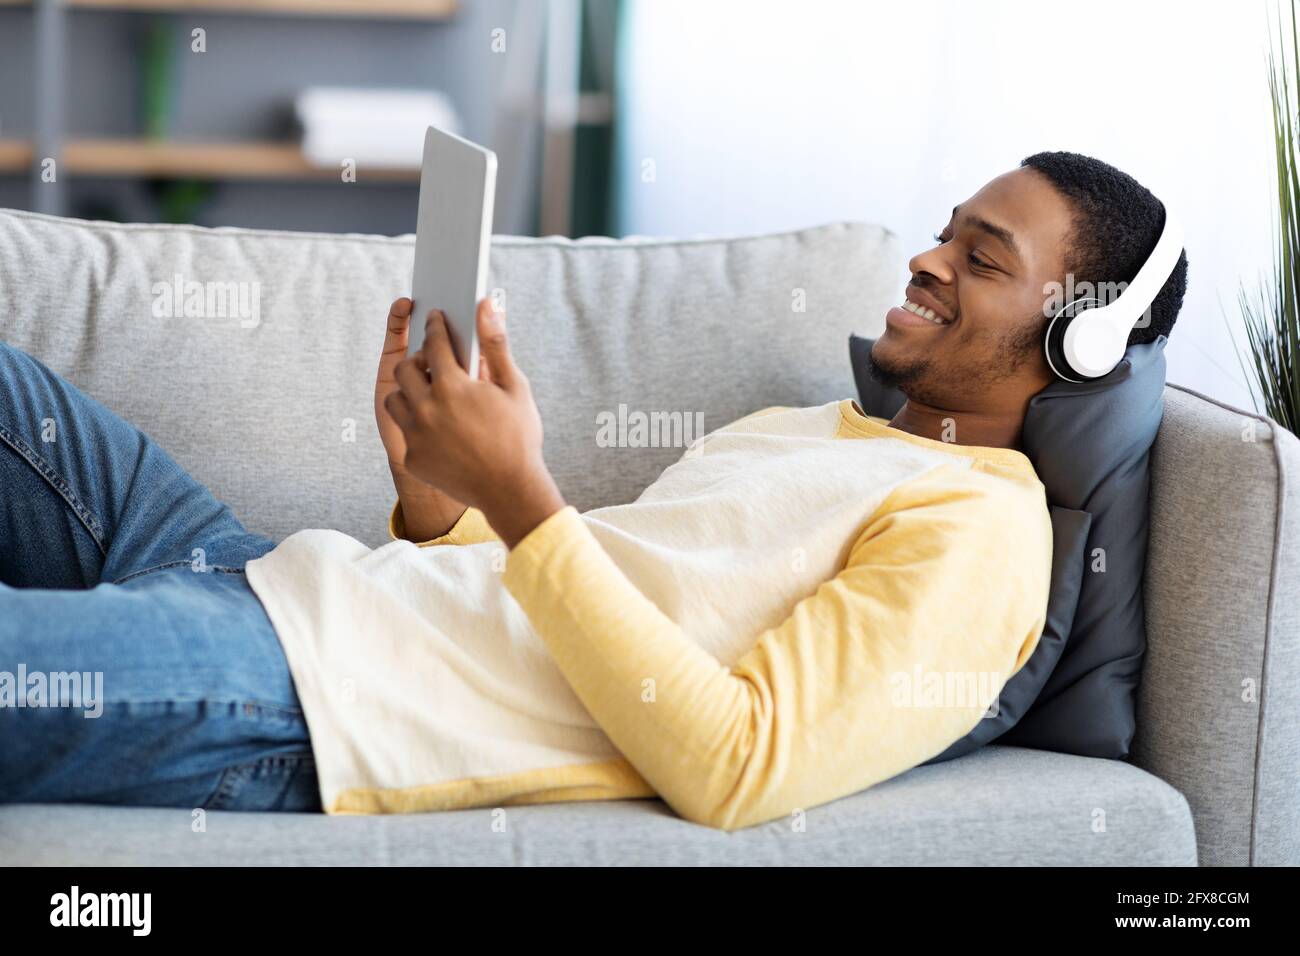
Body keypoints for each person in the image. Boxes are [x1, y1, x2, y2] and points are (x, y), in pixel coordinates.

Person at [0, 151, 1187, 829]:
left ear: (1082, 343)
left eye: (981, 261)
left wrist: (523, 496)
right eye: (943, 234)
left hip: (306, 697)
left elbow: (737, 762)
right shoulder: (808, 428)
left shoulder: (982, 531)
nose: (927, 262)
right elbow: (529, 622)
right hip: (284, 579)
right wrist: (436, 499)